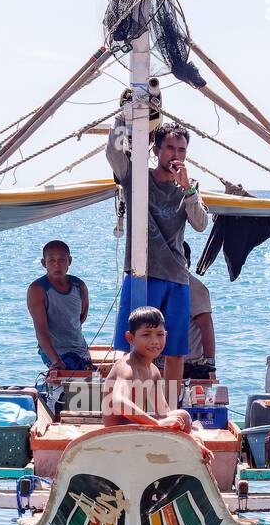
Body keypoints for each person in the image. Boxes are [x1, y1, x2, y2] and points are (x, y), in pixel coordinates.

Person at [105, 111, 208, 384]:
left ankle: (170, 409)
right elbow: (114, 155)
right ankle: (130, 403)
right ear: (156, 150)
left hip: (175, 276)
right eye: (170, 148)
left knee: (175, 351)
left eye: (182, 150)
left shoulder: (189, 188)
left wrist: (187, 189)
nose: (176, 154)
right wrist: (120, 120)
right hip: (141, 273)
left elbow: (200, 224)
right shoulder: (136, 177)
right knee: (131, 346)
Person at [102, 305, 213, 463]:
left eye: (159, 334)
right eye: (146, 335)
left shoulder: (153, 370)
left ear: (166, 335)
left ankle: (186, 457)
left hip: (136, 432)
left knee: (182, 417)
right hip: (118, 436)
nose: (154, 341)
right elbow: (119, 402)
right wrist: (157, 424)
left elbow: (164, 411)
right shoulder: (127, 368)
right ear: (130, 338)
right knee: (183, 417)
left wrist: (192, 439)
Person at [26, 239, 91, 372]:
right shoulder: (37, 290)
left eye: (62, 260)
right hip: (54, 352)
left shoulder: (79, 286)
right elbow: (41, 331)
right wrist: (56, 360)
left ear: (69, 261)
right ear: (44, 263)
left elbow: (81, 318)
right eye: (52, 260)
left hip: (80, 349)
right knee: (70, 371)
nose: (57, 265)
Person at [181, 242, 216, 381]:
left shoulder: (194, 287)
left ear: (185, 261)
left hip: (190, 367)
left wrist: (209, 365)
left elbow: (206, 326)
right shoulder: (165, 286)